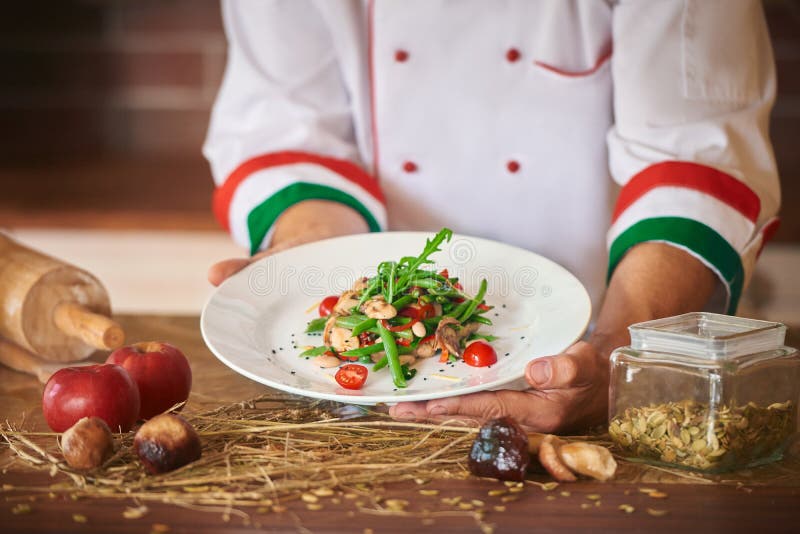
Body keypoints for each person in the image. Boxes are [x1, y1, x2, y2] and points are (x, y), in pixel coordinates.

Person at [204, 0, 780, 432]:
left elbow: (696, 151)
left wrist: (618, 357)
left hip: (599, 335)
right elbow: (286, 128)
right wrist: (311, 251)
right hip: (350, 401)